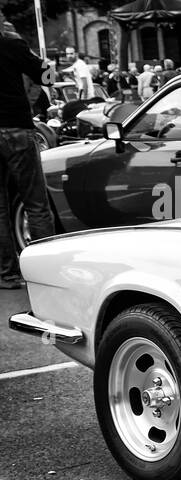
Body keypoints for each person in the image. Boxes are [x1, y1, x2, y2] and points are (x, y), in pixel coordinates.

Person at [0, 10, 56, 288]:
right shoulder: (11, 45)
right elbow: (46, 77)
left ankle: (7, 273)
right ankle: (43, 272)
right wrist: (47, 64)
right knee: (36, 203)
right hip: (16, 129)